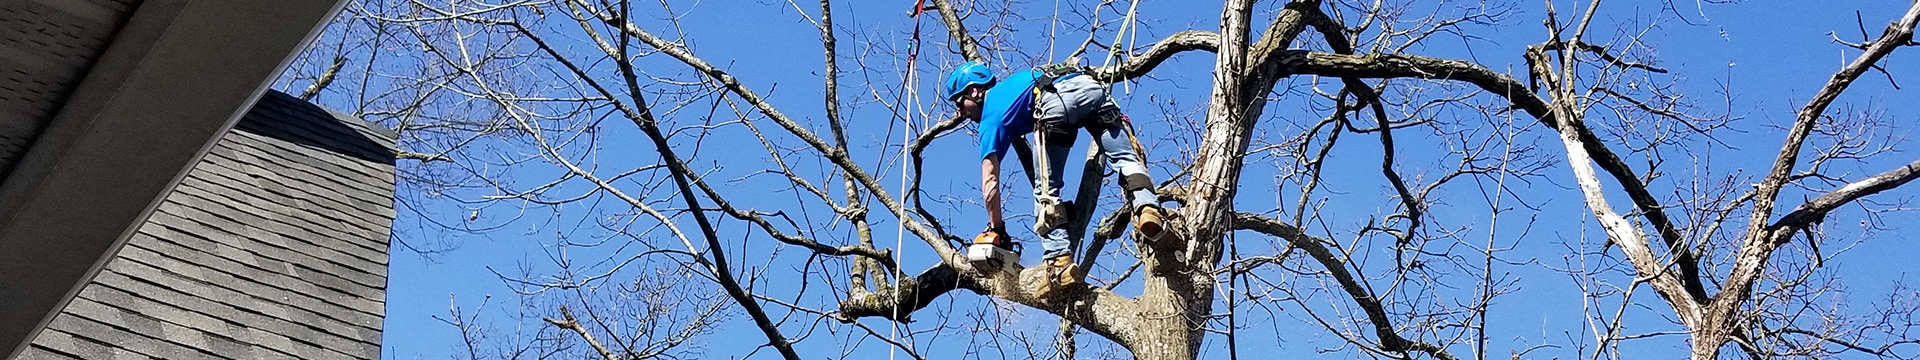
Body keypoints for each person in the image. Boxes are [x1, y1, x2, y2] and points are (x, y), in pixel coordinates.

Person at [942, 61, 1166, 297]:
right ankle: (1148, 210)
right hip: (1090, 88)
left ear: (975, 91)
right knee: (1125, 158)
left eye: (960, 103)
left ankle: (1059, 263)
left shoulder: (990, 117)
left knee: (1046, 190)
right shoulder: (1017, 80)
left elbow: (990, 182)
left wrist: (996, 227)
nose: (962, 112)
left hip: (1055, 103)